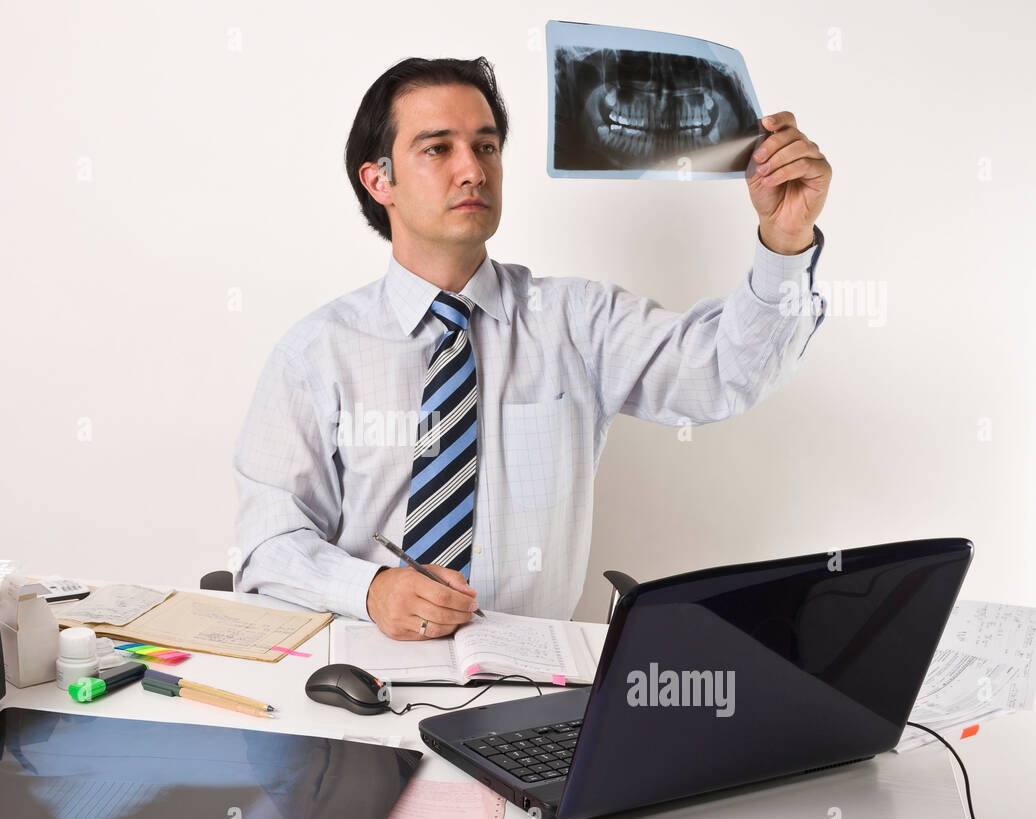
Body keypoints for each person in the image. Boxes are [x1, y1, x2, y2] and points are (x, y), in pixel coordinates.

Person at [232, 56, 831, 641]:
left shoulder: (576, 321)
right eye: (438, 149)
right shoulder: (316, 353)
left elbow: (724, 374)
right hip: (365, 673)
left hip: (530, 684)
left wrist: (785, 241)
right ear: (379, 179)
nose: (472, 170)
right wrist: (370, 589)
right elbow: (267, 548)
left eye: (486, 147)